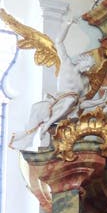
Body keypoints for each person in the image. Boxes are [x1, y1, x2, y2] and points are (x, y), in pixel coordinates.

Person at [10, 15, 95, 150]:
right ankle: (46, 124)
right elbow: (58, 42)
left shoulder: (83, 82)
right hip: (58, 102)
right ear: (81, 60)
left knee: (72, 100)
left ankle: (47, 125)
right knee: (70, 100)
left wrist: (101, 101)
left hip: (68, 109)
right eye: (88, 64)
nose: (89, 68)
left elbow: (82, 102)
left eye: (90, 66)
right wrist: (67, 24)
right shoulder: (66, 64)